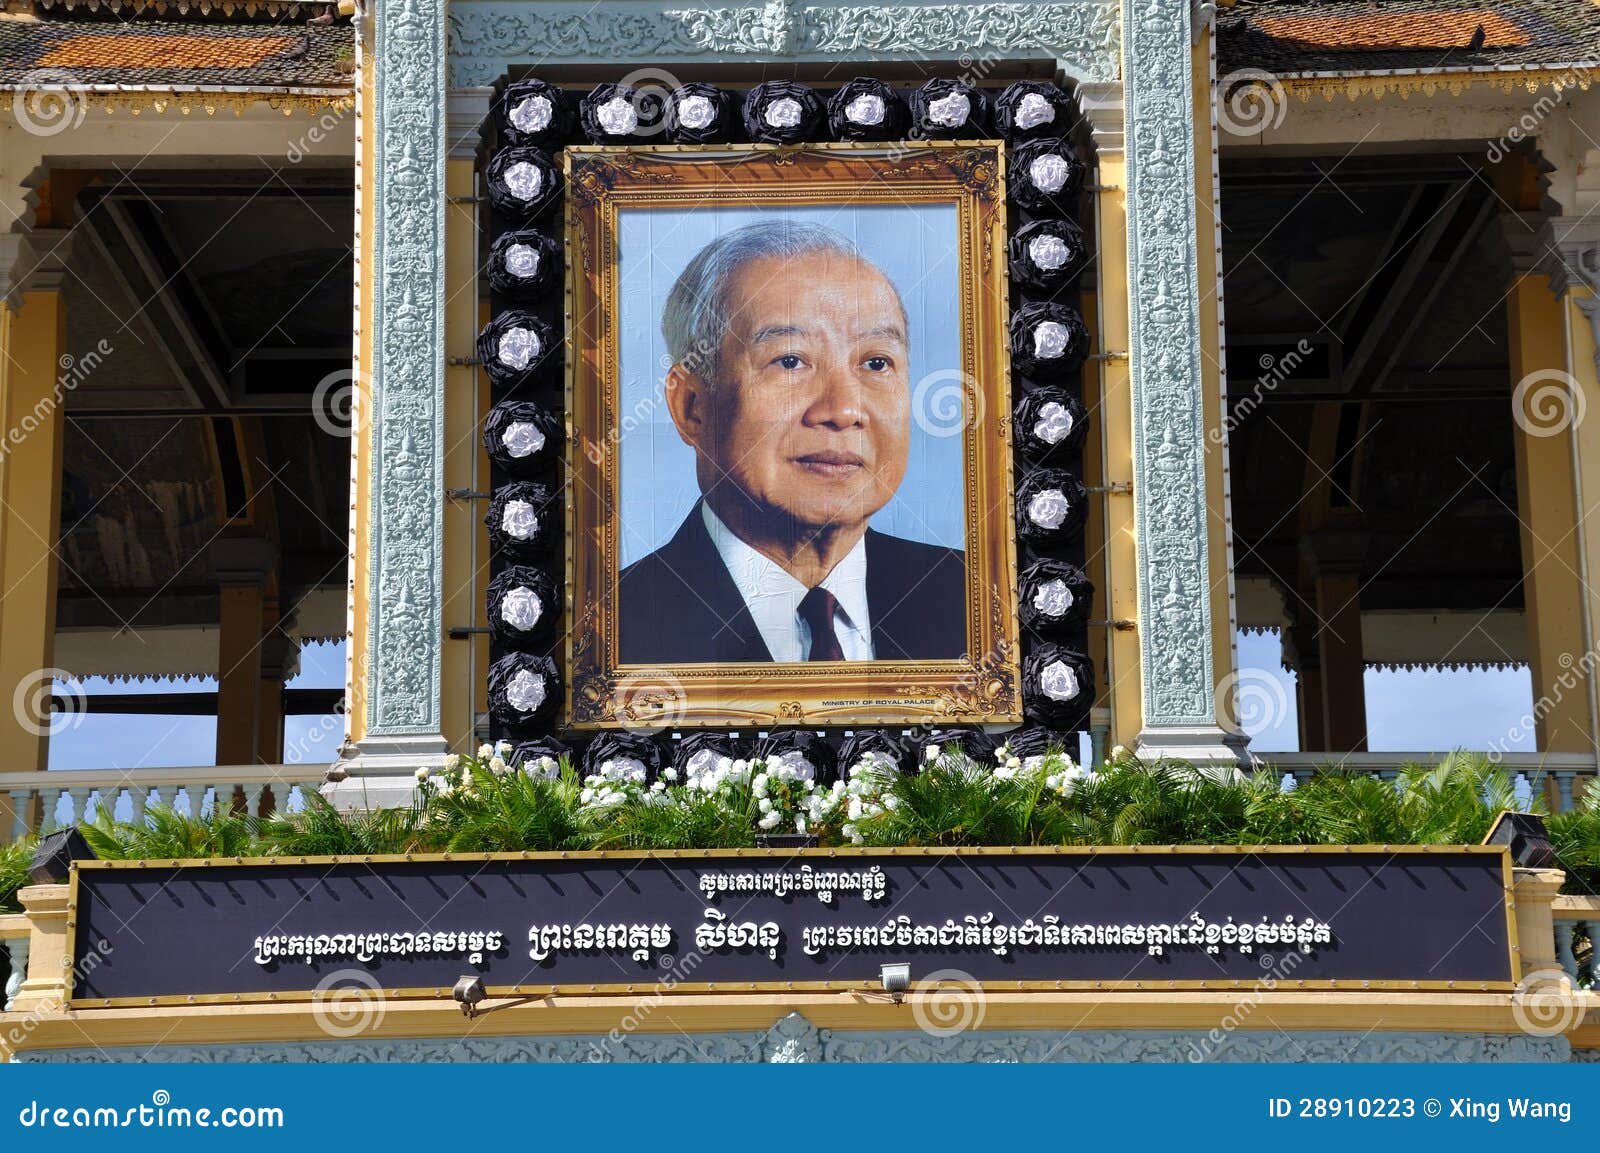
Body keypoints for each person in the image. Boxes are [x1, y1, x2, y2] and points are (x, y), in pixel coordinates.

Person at [619, 221, 965, 664]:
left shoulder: (979, 601)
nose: (843, 410)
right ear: (692, 407)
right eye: (789, 361)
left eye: (877, 363)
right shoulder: (613, 630)